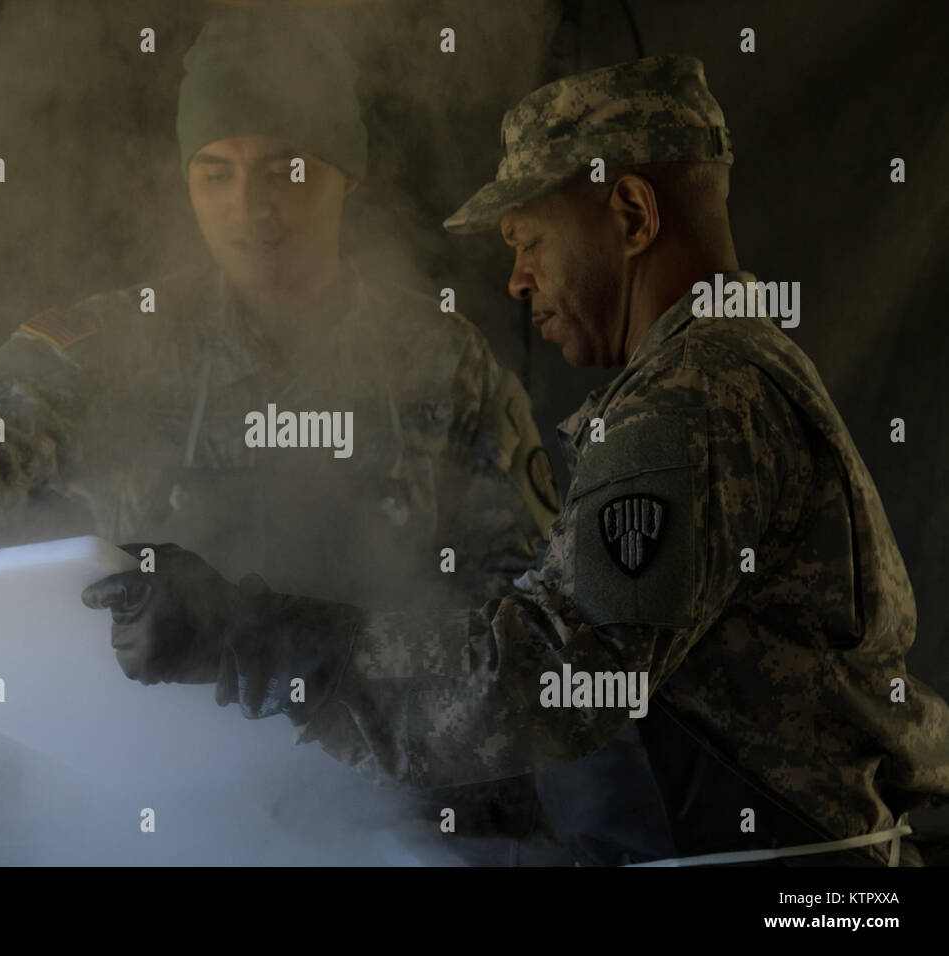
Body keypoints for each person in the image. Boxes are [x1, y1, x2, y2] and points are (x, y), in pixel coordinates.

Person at [83, 54, 949, 866]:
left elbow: (544, 679)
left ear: (634, 217)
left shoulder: (692, 400)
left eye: (529, 241)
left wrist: (246, 633)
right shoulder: (741, 363)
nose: (516, 281)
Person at [0, 9, 561, 853]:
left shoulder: (445, 362)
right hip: (178, 815)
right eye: (215, 173)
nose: (250, 207)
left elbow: (528, 614)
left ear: (347, 175)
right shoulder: (122, 342)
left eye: (286, 169)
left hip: (400, 804)